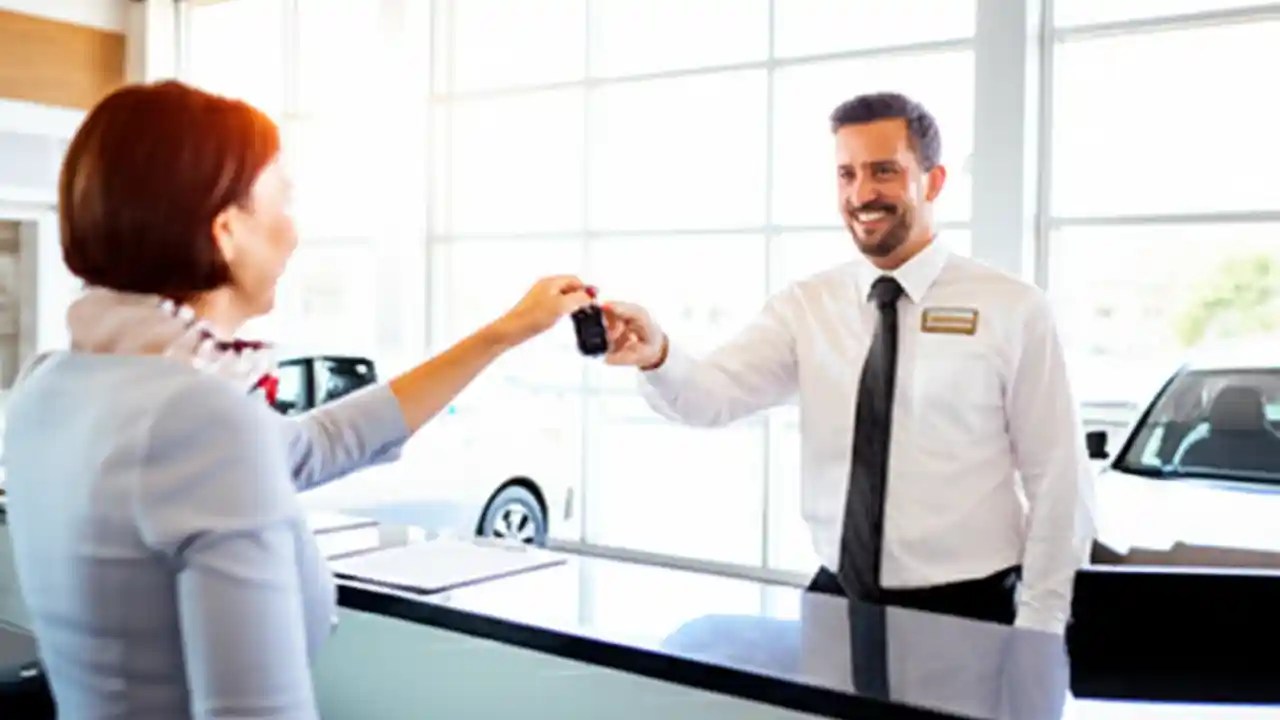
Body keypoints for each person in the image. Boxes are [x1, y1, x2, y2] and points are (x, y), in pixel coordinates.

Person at [1, 80, 593, 719]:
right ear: (226, 231)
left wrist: (502, 334)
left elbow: (322, 441)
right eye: (281, 201)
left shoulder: (54, 386)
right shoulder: (198, 418)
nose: (292, 234)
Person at [601, 91, 1095, 632]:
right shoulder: (807, 306)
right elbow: (710, 397)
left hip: (968, 612)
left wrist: (1042, 628)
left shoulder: (1012, 307)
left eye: (884, 171)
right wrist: (658, 356)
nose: (862, 193)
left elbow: (1059, 478)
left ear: (932, 181)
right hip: (836, 600)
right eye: (846, 174)